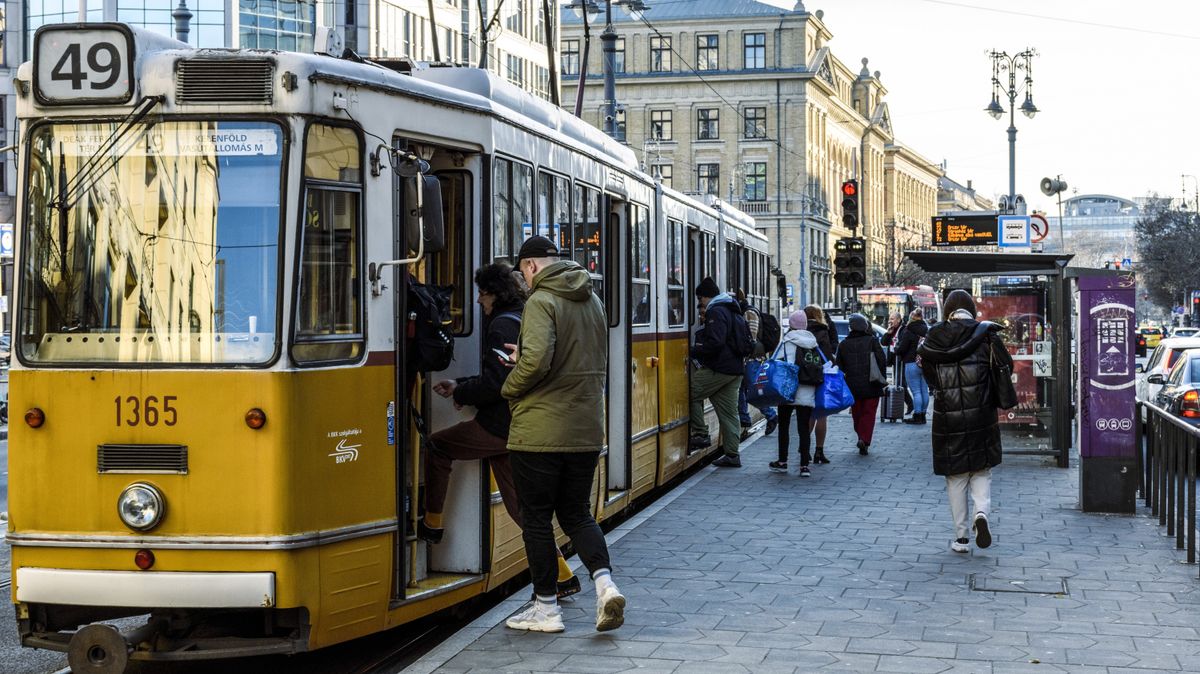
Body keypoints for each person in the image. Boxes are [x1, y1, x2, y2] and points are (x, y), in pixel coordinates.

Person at [421, 264, 581, 599]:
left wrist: (462, 392)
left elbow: (497, 382)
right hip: (516, 428)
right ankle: (564, 576)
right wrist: (462, 385)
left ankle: (431, 524)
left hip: (498, 427)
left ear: (495, 293)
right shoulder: (524, 316)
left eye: (482, 293)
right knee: (519, 507)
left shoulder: (501, 326)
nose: (479, 300)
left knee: (438, 447)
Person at [500, 236, 624, 633]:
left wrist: (509, 386)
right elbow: (581, 356)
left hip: (540, 430)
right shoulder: (592, 300)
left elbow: (537, 362)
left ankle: (546, 608)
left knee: (536, 519)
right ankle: (605, 586)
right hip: (586, 428)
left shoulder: (540, 301)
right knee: (576, 513)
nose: (523, 279)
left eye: (522, 271)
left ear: (532, 266)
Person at [918, 290, 1011, 554]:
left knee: (956, 476)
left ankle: (961, 538)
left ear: (947, 310)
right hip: (981, 412)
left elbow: (931, 378)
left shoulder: (934, 337)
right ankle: (981, 513)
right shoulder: (987, 335)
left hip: (949, 416)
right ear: (972, 308)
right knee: (981, 469)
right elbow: (1005, 367)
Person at [689, 278, 747, 467]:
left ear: (707, 296)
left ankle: (700, 434)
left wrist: (695, 350)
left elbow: (716, 342)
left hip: (720, 368)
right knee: (729, 413)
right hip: (735, 370)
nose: (700, 303)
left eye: (700, 298)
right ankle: (732, 454)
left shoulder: (716, 311)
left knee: (691, 393)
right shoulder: (732, 309)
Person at [768, 311, 819, 477]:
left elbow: (775, 362)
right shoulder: (813, 343)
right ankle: (804, 466)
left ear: (791, 325)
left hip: (787, 391)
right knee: (804, 428)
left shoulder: (787, 341)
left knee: (784, 427)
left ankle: (782, 462)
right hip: (807, 390)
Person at [836, 313, 887, 456]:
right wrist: (881, 377)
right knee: (869, 413)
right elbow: (882, 360)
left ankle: (860, 436)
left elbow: (839, 366)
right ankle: (864, 439)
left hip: (852, 385)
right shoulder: (872, 341)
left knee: (857, 413)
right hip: (872, 383)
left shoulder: (844, 344)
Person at [736, 289, 778, 439]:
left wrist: (743, 351)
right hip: (748, 359)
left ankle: (771, 415)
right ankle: (744, 417)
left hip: (751, 360)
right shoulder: (745, 312)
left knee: (752, 390)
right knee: (741, 389)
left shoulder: (749, 313)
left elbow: (751, 339)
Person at [804, 305, 835, 464]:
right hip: (820, 376)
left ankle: (804, 449)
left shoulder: (798, 332)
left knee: (807, 414)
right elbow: (828, 357)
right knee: (821, 414)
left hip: (802, 378)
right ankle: (819, 451)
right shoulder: (823, 331)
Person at [894, 308, 930, 424]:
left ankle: (917, 415)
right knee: (924, 390)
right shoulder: (927, 330)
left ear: (911, 318)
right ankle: (923, 415)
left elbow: (902, 348)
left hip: (911, 363)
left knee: (916, 391)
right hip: (924, 363)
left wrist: (896, 349)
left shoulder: (909, 330)